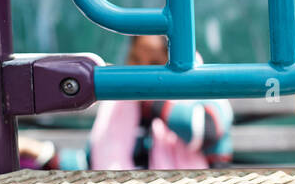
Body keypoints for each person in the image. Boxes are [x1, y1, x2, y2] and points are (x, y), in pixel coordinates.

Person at [19, 34, 234, 170]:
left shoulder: (205, 89)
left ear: (176, 62)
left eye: (154, 62)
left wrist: (143, 94)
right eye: (135, 60)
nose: (141, 69)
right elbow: (92, 164)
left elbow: (202, 130)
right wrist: (39, 151)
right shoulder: (120, 106)